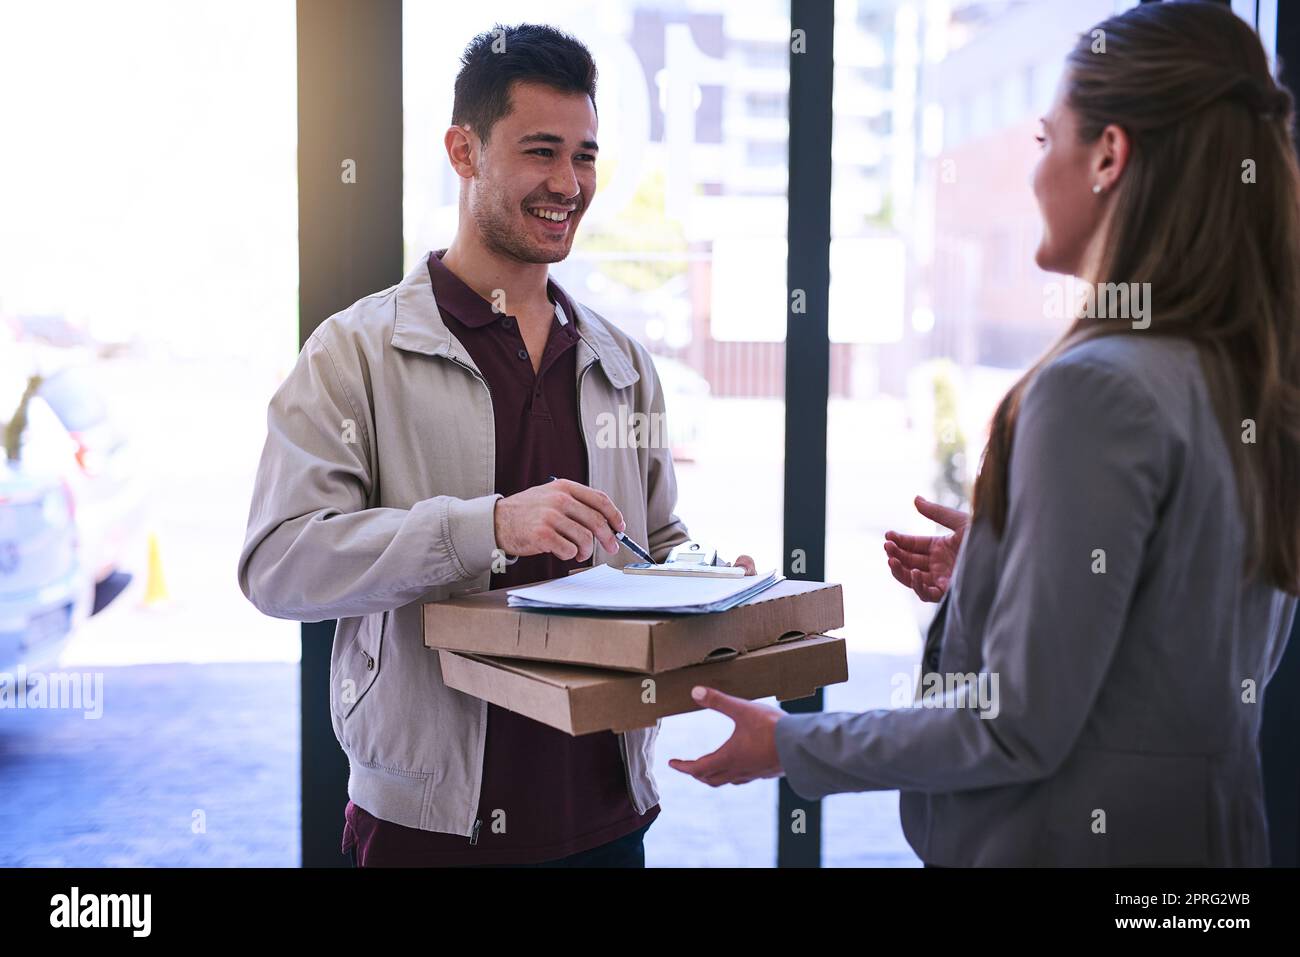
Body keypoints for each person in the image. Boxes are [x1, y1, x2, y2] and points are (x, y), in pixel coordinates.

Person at [670, 0, 1300, 866]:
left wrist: (790, 743)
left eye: (1047, 141)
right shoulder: (1254, 379)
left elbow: (1016, 726)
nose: (1032, 175)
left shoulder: (1096, 390)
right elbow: (1186, 655)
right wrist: (1011, 567)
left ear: (1110, 155)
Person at [237, 23, 752, 867]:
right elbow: (279, 565)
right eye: (540, 152)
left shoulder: (623, 364)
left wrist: (709, 582)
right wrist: (489, 527)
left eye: (584, 156)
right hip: (428, 829)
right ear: (463, 151)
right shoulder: (354, 353)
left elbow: (653, 542)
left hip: (606, 815)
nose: (569, 183)